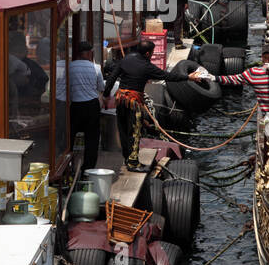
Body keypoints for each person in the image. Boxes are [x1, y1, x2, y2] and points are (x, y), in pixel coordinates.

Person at [104, 40, 199, 171]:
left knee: (123, 130)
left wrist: (105, 94)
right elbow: (168, 76)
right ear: (148, 53)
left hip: (120, 100)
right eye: (152, 53)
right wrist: (188, 77)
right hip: (133, 102)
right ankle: (133, 163)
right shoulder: (147, 66)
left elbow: (112, 78)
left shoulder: (126, 59)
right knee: (134, 132)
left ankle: (127, 158)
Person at [216, 46, 269, 117]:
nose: (267, 61)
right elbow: (234, 79)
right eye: (265, 58)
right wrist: (214, 78)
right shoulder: (254, 73)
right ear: (262, 58)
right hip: (268, 116)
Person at [67, 40, 105, 170]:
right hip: (91, 106)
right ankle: (88, 168)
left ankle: (68, 164)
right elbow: (101, 87)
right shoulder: (96, 68)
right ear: (89, 53)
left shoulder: (70, 67)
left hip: (75, 106)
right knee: (92, 139)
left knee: (70, 136)